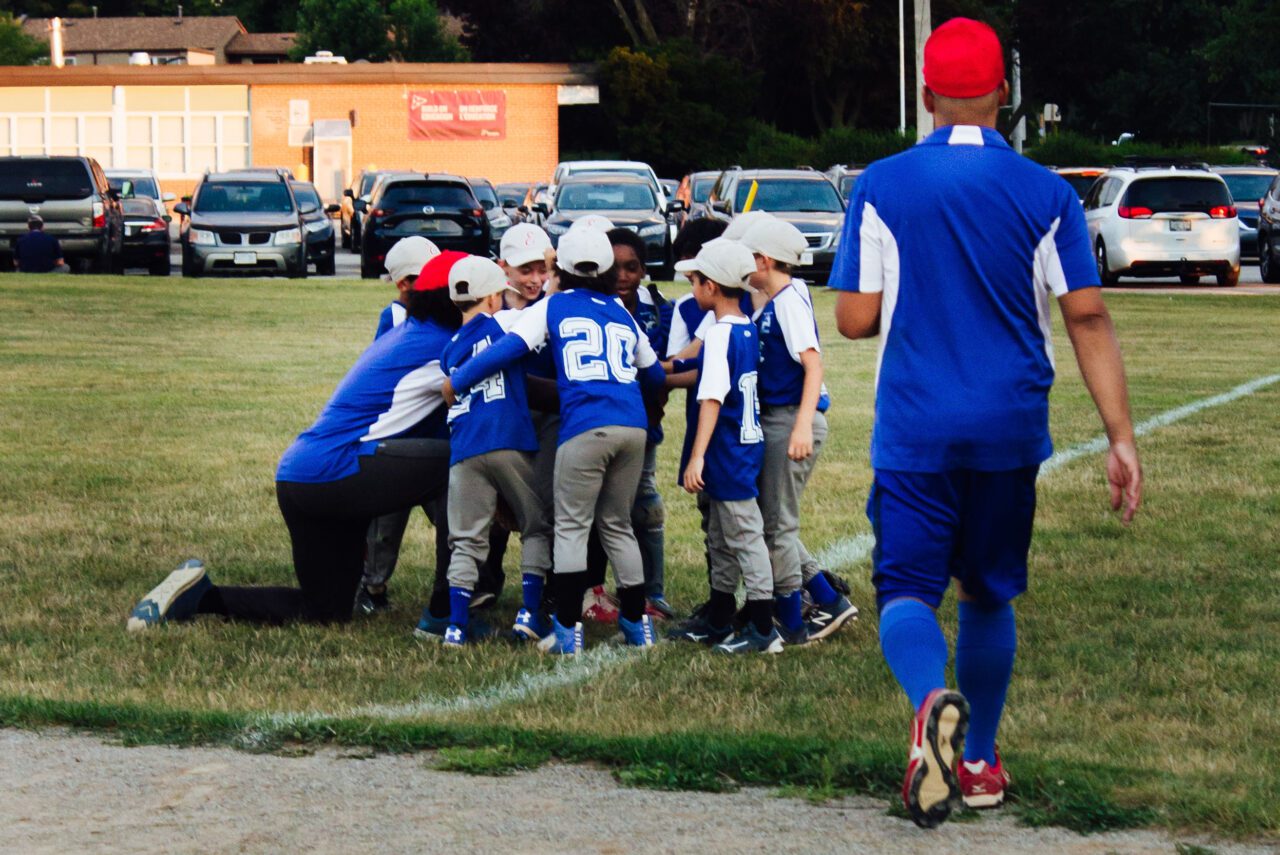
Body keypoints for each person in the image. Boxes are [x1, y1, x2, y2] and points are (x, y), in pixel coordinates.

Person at [829, 17, 1142, 829]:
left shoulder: (882, 183)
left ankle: (933, 701)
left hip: (917, 425)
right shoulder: (1047, 193)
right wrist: (1120, 436)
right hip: (1008, 424)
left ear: (926, 94)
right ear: (1004, 94)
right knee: (989, 592)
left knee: (905, 587)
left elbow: (856, 318)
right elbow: (1088, 317)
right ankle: (978, 758)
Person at [127, 252, 465, 629]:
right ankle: (446, 607)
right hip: (337, 471)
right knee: (463, 461)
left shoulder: (411, 332)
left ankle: (200, 596)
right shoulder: (446, 344)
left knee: (325, 610)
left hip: (300, 478)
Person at [443, 228, 667, 654]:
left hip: (585, 425)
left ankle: (566, 631)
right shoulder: (621, 310)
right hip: (632, 427)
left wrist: (459, 379)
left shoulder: (554, 306)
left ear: (559, 267)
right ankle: (638, 628)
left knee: (570, 528)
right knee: (618, 526)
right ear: (605, 268)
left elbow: (507, 350)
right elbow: (653, 375)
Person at [738, 217, 857, 643]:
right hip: (783, 416)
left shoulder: (787, 301)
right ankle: (827, 598)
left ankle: (792, 620)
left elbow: (813, 364)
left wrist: (803, 424)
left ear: (764, 259)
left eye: (746, 258)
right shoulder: (776, 296)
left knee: (778, 526)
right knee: (773, 520)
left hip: (791, 417)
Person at [665, 240, 779, 653]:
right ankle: (719, 615)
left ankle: (763, 627)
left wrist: (697, 455)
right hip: (742, 444)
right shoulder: (745, 326)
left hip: (729, 450)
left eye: (695, 280)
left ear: (710, 286)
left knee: (744, 535)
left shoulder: (718, 336)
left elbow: (711, 397)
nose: (692, 287)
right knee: (720, 534)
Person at [438, 255, 553, 646]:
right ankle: (529, 611)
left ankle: (455, 625)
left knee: (466, 539)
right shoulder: (508, 321)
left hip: (465, 447)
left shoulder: (449, 349)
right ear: (491, 299)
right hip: (507, 438)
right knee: (537, 524)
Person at [357, 236, 441, 614]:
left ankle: (464, 587)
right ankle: (372, 587)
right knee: (385, 524)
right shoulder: (395, 317)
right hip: (399, 437)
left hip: (438, 434)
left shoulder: (445, 315)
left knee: (453, 519)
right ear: (404, 283)